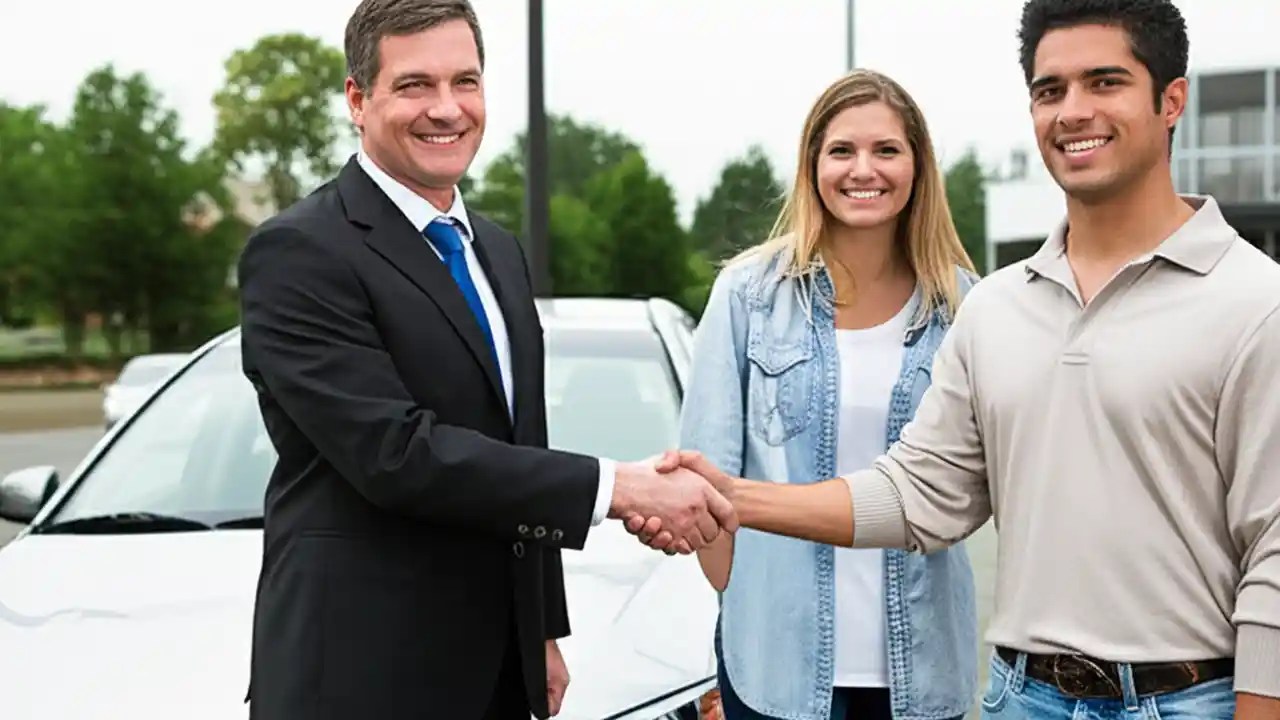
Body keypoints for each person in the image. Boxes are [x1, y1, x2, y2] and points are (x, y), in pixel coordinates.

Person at [637, 0, 1280, 717]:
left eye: (1105, 82)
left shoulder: (1256, 301)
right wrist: (724, 497)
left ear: (1171, 100)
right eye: (1049, 90)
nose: (1073, 111)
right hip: (1020, 697)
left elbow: (1276, 550)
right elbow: (920, 494)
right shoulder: (1001, 309)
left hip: (1190, 701)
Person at [235, 1, 735, 719]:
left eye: (464, 82)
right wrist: (617, 488)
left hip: (495, 671)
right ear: (357, 98)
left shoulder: (495, 249)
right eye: (414, 86)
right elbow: (395, 454)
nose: (446, 109)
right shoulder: (300, 252)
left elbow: (516, 442)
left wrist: (540, 630)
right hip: (359, 676)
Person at [672, 69, 979, 720]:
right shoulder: (748, 295)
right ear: (813, 165)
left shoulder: (965, 308)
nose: (863, 169)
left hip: (922, 671)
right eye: (842, 150)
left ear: (917, 167)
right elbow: (707, 474)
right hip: (775, 670)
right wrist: (749, 610)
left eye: (886, 150)